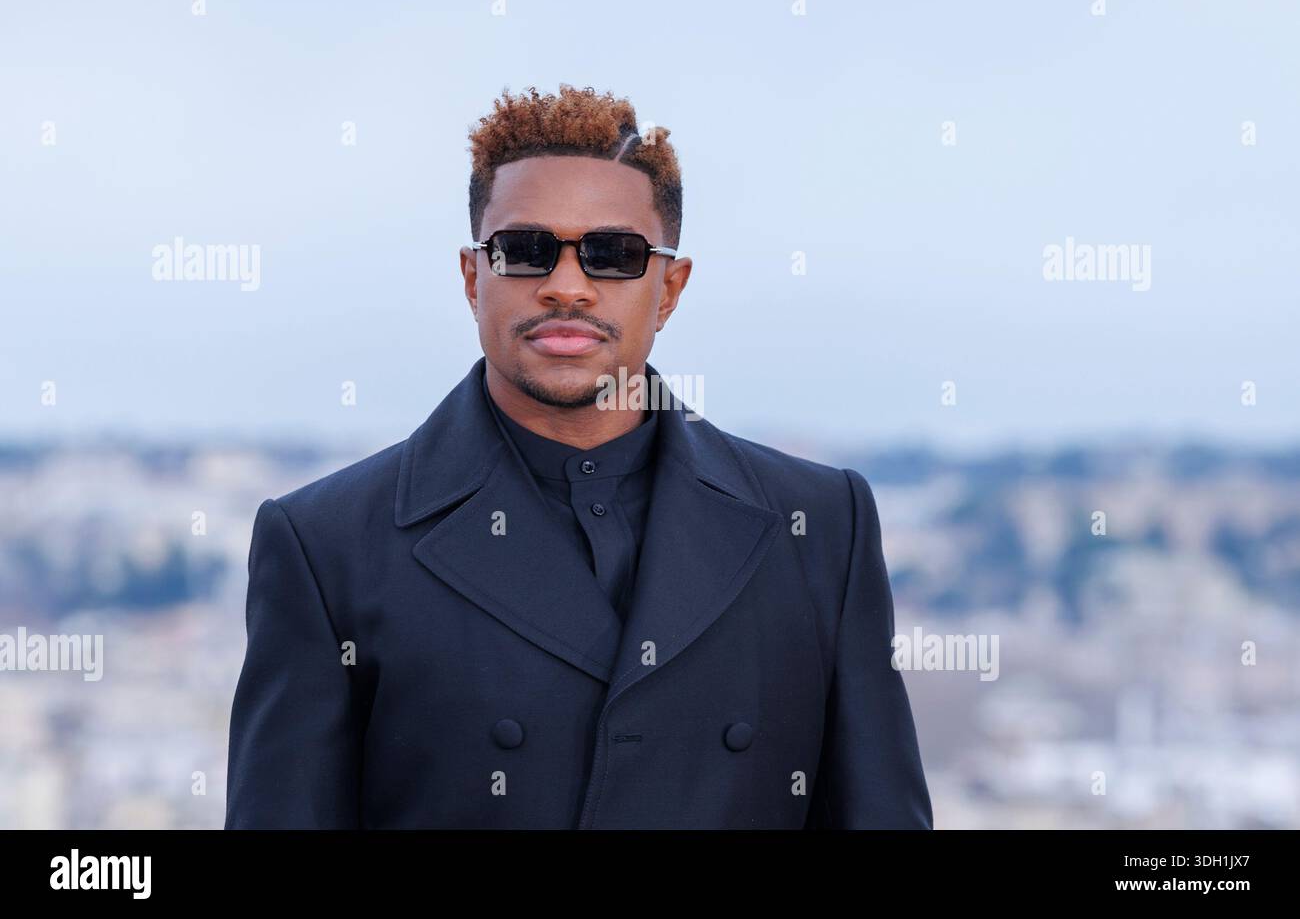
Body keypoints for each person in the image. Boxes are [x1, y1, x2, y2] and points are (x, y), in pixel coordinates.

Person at [224, 84, 932, 829]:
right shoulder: (326, 545)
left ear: (670, 288)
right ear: (474, 278)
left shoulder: (820, 525)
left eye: (613, 255)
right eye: (525, 251)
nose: (567, 287)